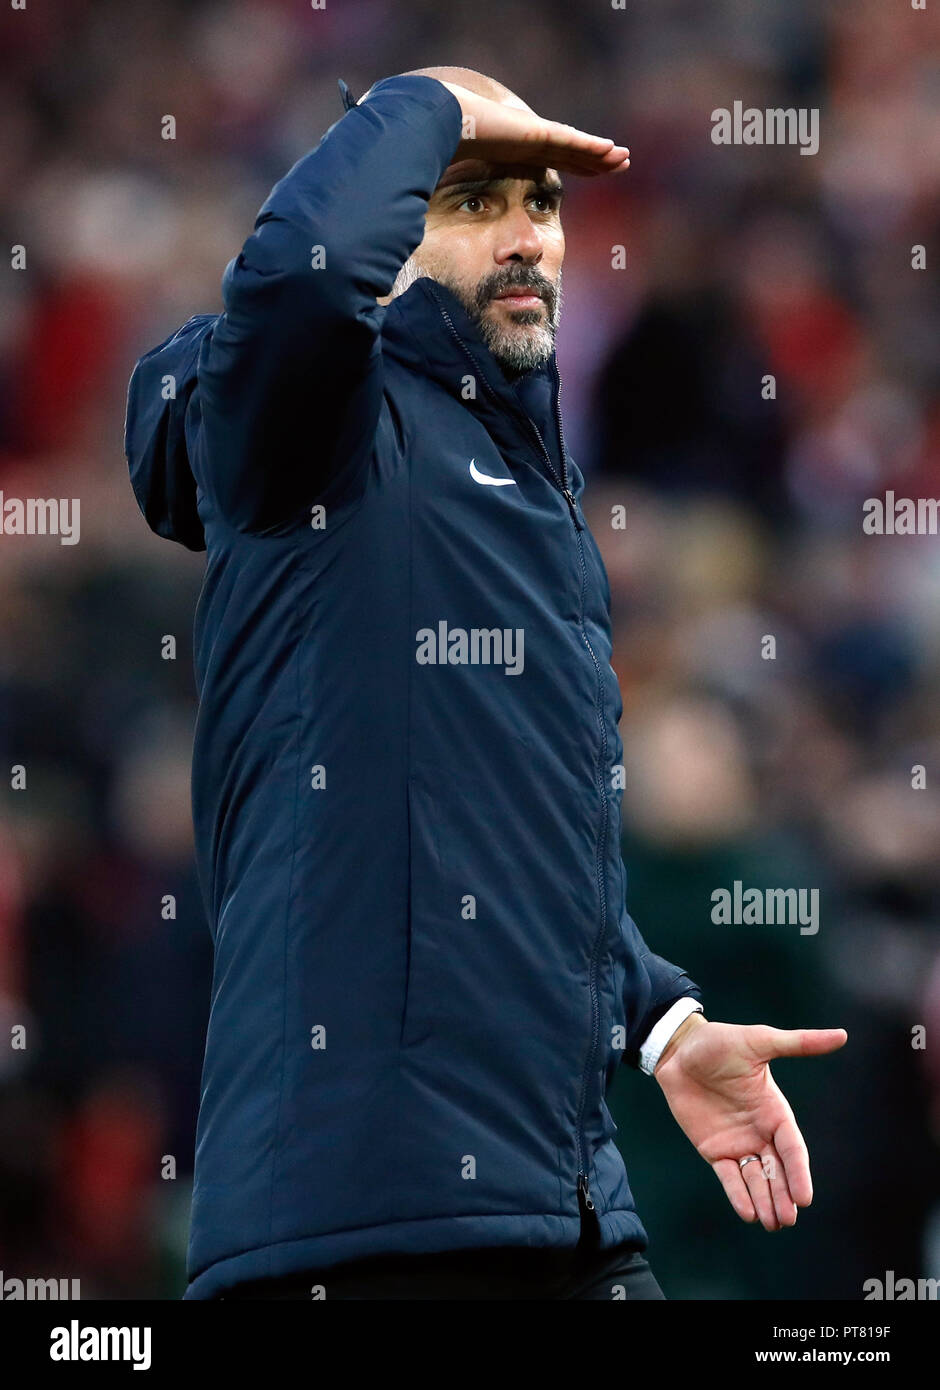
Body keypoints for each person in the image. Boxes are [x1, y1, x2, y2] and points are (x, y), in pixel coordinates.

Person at [124, 65, 847, 1301]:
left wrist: (657, 1022)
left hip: (560, 1209)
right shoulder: (315, 431)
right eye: (471, 204)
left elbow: (508, 832)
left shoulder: (535, 494)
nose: (526, 238)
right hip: (360, 1226)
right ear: (390, 242)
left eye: (542, 204)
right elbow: (301, 279)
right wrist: (426, 101)